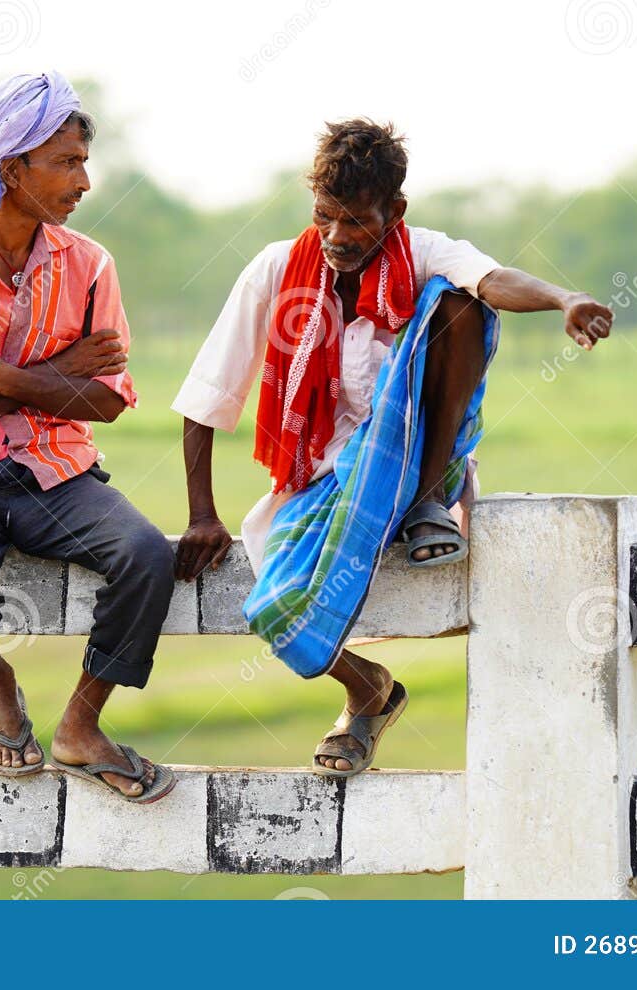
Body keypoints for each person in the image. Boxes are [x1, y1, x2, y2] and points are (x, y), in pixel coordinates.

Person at [173, 118, 614, 776]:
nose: (338, 237)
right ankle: (368, 689)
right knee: (274, 608)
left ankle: (428, 502)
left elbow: (492, 280)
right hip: (324, 477)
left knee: (459, 305)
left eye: (356, 221)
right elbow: (208, 392)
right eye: (325, 217)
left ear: (394, 212)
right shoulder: (274, 270)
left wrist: (564, 297)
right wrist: (202, 514)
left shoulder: (425, 250)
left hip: (421, 465)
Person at [0, 71, 176, 803]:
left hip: (58, 472)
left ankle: (82, 725)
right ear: (11, 169)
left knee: (146, 556)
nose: (84, 180)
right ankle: (0, 686)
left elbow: (108, 400)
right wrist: (57, 373)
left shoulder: (89, 265)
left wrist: (4, 374)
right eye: (67, 161)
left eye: (82, 160)